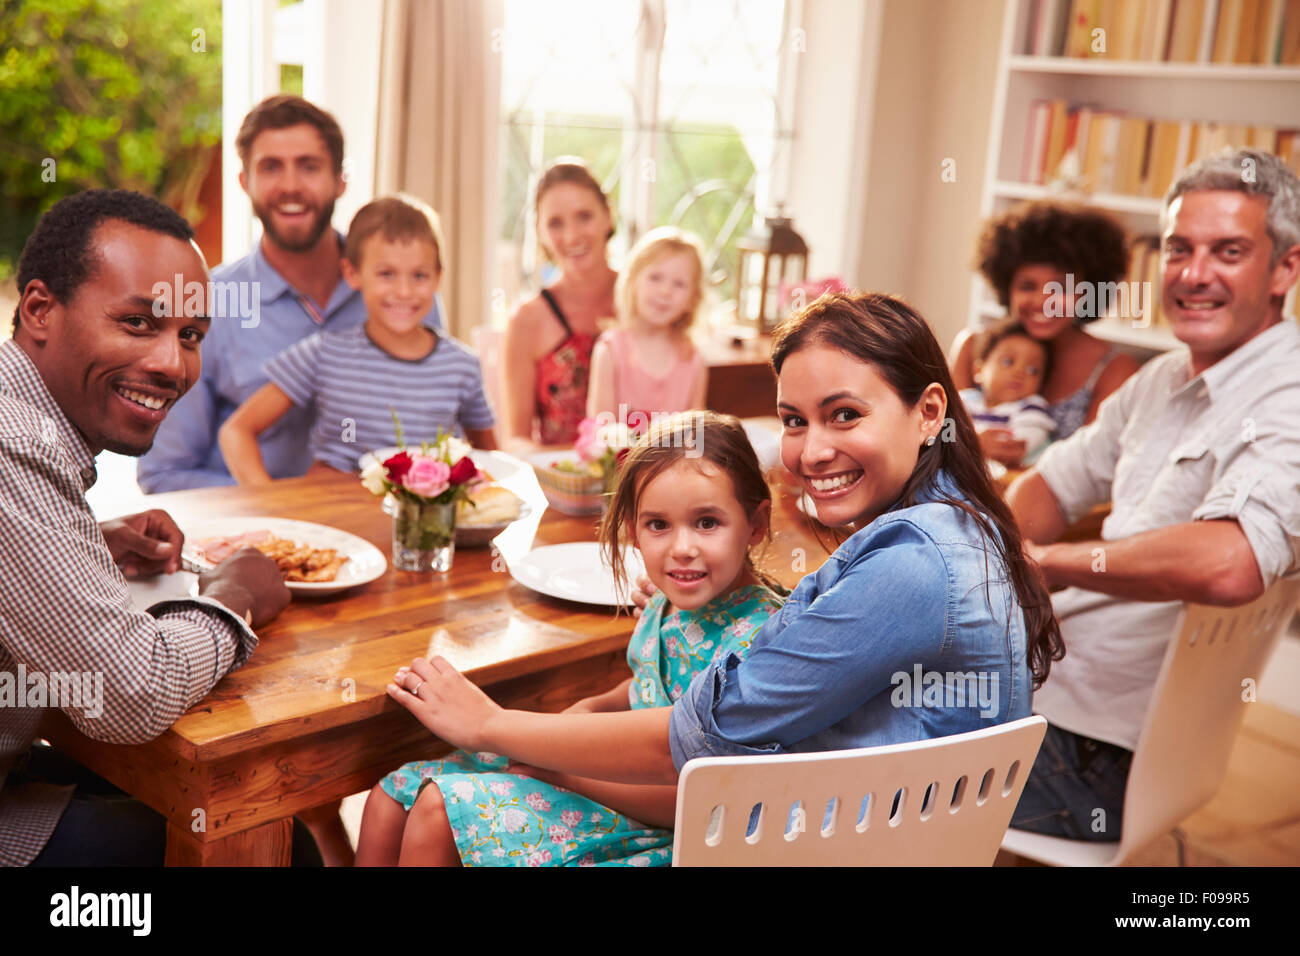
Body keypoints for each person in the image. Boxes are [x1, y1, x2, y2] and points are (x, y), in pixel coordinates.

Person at [379, 293, 1062, 806]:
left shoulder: (915, 565)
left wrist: (493, 725)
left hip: (801, 844)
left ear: (929, 412)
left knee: (455, 804)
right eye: (795, 421)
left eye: (845, 414)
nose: (812, 449)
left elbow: (694, 740)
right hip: (875, 833)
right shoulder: (960, 528)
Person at [1006, 147, 1300, 841]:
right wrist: (1004, 547)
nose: (1194, 275)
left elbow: (1232, 561)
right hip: (1046, 701)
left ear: (1286, 267)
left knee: (836, 749)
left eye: (1228, 251)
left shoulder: (1288, 396)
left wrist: (1053, 563)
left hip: (1097, 757)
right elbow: (1049, 481)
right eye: (1179, 250)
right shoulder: (1159, 380)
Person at [0, 189, 296, 866]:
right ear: (41, 309)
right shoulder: (12, 440)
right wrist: (234, 596)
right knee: (261, 830)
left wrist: (88, 544)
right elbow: (127, 692)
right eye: (139, 323)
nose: (172, 363)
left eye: (190, 336)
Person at [354, 411, 782, 866]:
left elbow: (694, 799)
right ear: (633, 529)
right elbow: (651, 685)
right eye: (658, 525)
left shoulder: (758, 642)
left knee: (439, 809)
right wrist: (598, 706)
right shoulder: (670, 597)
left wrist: (569, 774)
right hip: (611, 774)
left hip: (666, 826)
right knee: (391, 795)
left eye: (707, 523)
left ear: (755, 523)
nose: (681, 547)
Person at [137, 94, 443, 492]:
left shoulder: (405, 293)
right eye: (271, 168)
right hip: (251, 533)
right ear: (245, 182)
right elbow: (165, 474)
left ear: (340, 180)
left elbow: (435, 438)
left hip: (379, 532)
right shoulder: (203, 302)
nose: (291, 186)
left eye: (309, 166)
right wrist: (287, 511)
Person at [218, 195, 496, 484]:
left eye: (419, 275)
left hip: (424, 523)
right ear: (352, 273)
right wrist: (270, 503)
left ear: (438, 278)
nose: (404, 291)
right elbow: (236, 431)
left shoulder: (463, 366)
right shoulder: (324, 353)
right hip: (332, 516)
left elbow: (491, 462)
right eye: (386, 274)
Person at [949, 202, 1140, 466]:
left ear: (1087, 292)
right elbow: (937, 437)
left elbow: (1093, 468)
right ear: (1007, 287)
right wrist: (972, 447)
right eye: (1027, 286)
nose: (1043, 301)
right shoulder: (973, 347)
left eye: (1060, 288)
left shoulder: (1113, 371)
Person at [502, 160, 617, 451]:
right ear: (540, 233)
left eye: (584, 216)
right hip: (563, 482)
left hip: (648, 481)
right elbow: (517, 439)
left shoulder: (647, 301)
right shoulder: (526, 320)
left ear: (608, 216)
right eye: (555, 223)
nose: (572, 236)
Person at [586, 227, 709, 422]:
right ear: (633, 282)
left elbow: (695, 436)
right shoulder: (609, 351)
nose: (665, 291)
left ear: (692, 299)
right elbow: (600, 433)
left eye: (679, 284)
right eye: (655, 278)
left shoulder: (693, 361)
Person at [959, 323, 1056, 462]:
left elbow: (1015, 447)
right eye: (1007, 361)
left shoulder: (1032, 408)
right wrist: (972, 443)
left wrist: (965, 444)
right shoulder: (964, 401)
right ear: (979, 370)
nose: (1019, 372)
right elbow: (939, 434)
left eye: (1032, 370)